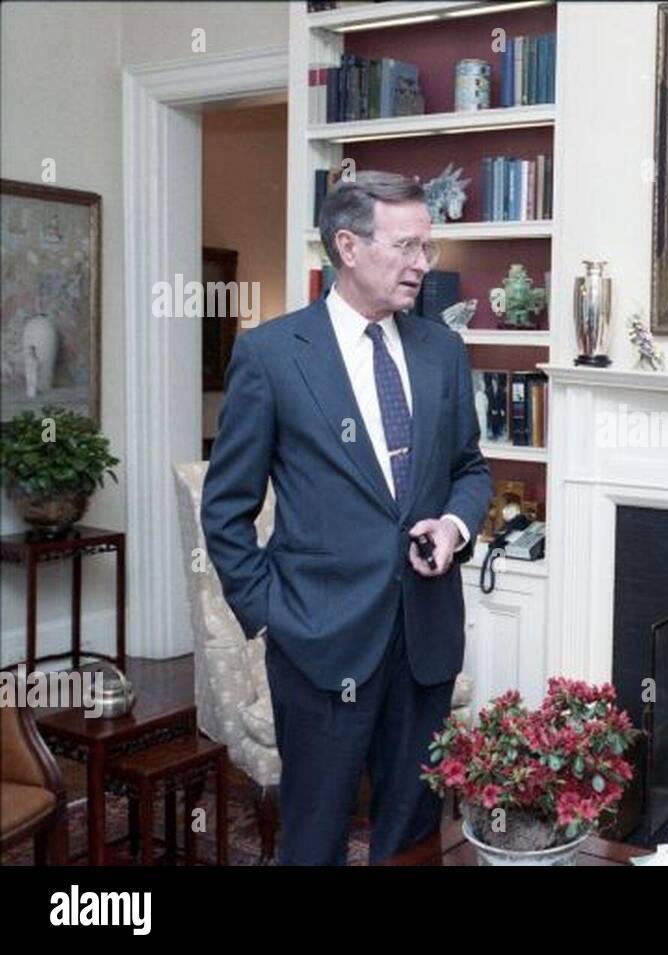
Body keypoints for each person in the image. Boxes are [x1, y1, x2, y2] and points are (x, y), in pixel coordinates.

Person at [201, 170, 491, 864]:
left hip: (423, 639)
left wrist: (452, 527)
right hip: (318, 642)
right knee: (313, 840)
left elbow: (469, 471)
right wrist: (272, 611)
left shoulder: (440, 350)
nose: (424, 264)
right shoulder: (272, 356)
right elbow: (226, 508)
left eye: (428, 247)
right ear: (348, 246)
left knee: (411, 836)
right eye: (407, 246)